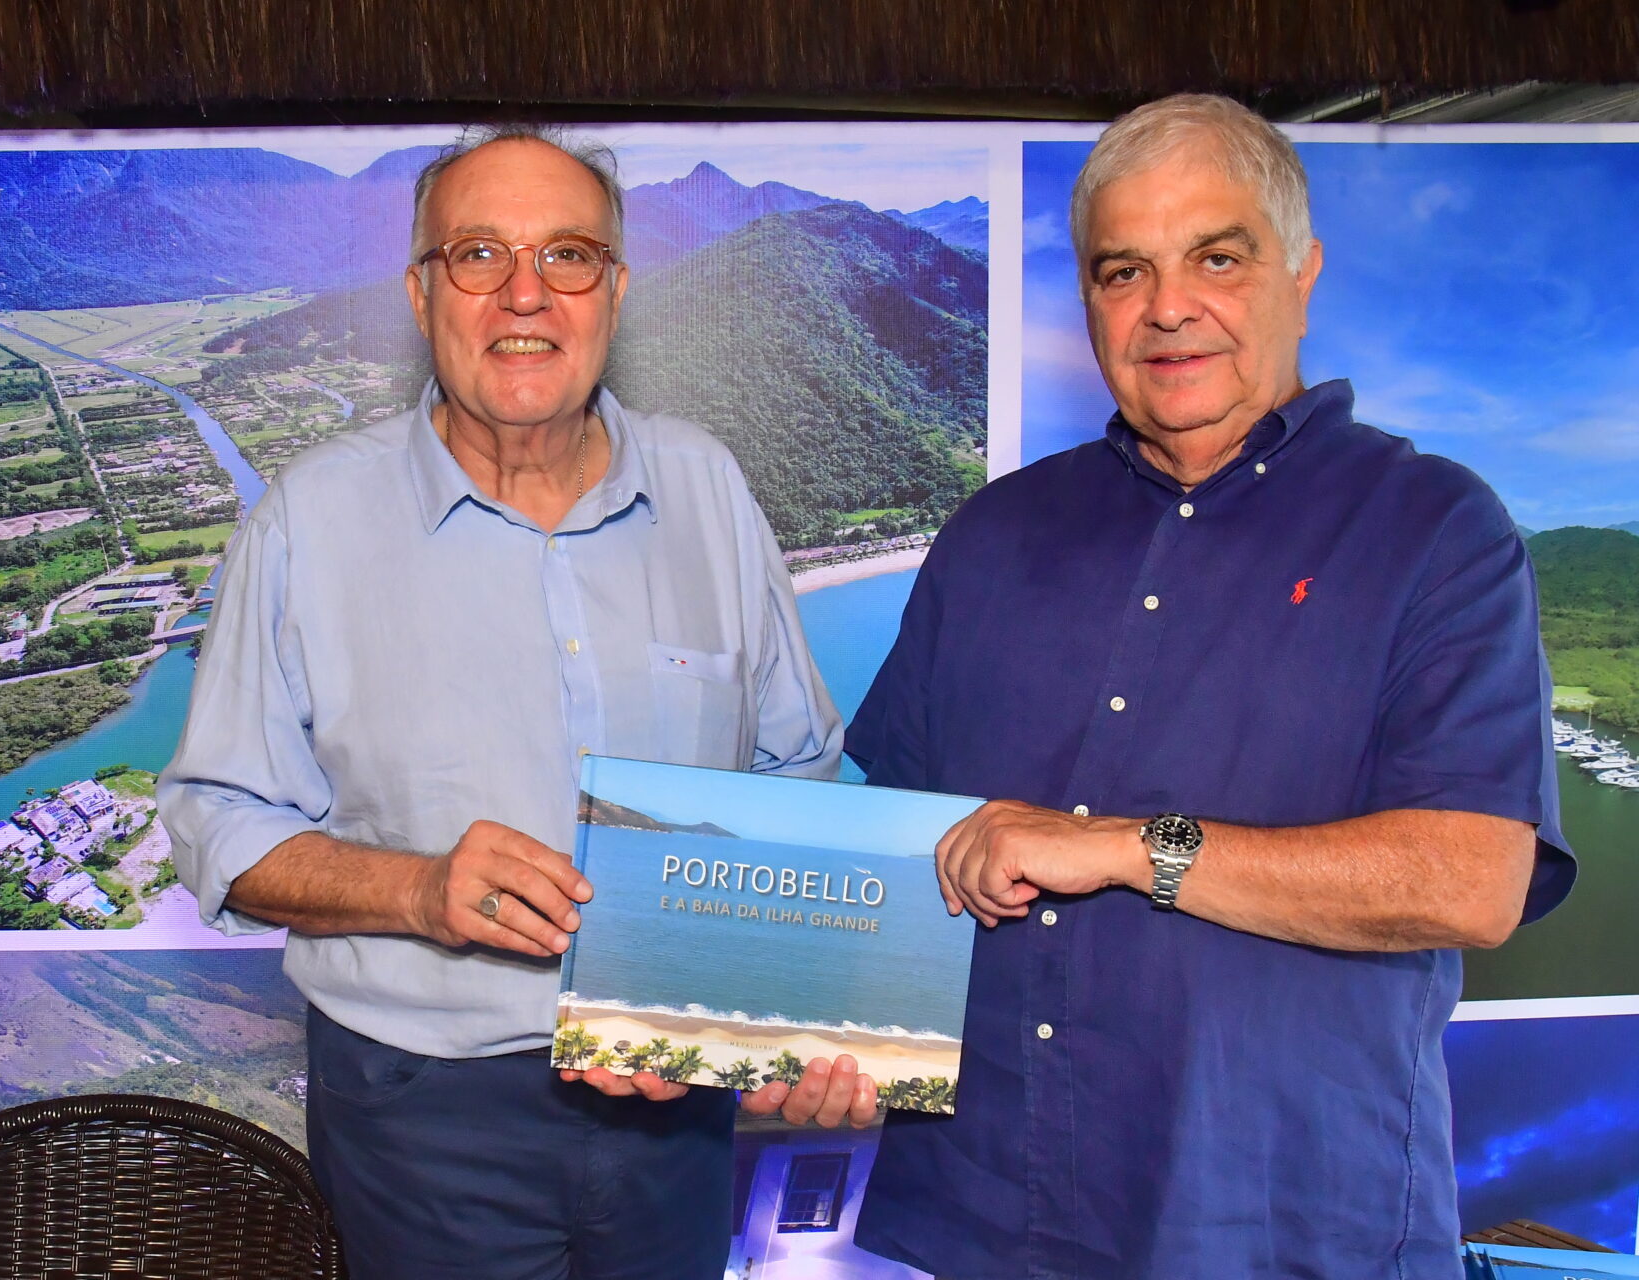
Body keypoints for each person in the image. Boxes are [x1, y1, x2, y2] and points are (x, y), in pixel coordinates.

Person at [767, 94, 1576, 1277]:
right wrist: (780, 1035)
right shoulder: (993, 533)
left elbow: (1474, 880)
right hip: (985, 1219)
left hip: (1281, 1228)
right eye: (1122, 270)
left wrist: (1133, 846)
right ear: (1088, 299)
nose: (1168, 307)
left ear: (1302, 272)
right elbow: (903, 858)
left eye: (1217, 256)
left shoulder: (1438, 531)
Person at [159, 124, 842, 1280]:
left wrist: (743, 1007)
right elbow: (218, 824)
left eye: (568, 256)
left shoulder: (708, 488)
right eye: (478, 255)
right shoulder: (309, 519)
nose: (525, 294)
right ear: (422, 294)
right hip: (423, 1114)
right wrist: (419, 889)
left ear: (615, 292)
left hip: (672, 1103)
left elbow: (798, 774)